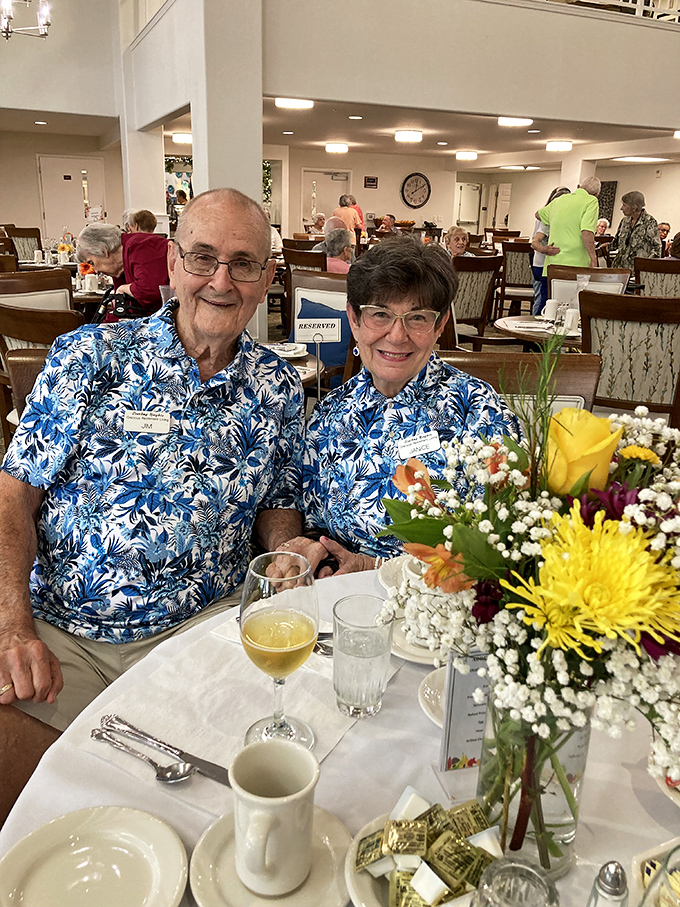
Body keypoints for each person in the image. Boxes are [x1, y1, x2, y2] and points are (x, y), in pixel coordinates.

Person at [0, 188, 305, 813]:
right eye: (201, 258)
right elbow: (11, 499)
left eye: (243, 263)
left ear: (267, 278)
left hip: (203, 635)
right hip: (70, 640)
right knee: (33, 788)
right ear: (171, 262)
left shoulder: (277, 384)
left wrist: (282, 548)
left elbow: (277, 502)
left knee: (255, 775)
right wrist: (12, 626)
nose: (220, 281)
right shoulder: (92, 357)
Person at [282, 237, 521, 575]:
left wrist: (377, 566)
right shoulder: (329, 412)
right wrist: (315, 551)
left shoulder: (480, 412)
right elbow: (311, 520)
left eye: (417, 318)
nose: (396, 335)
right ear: (354, 318)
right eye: (380, 314)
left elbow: (504, 544)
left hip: (437, 608)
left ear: (439, 325)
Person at [76, 222, 169, 319]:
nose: (96, 270)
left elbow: (150, 290)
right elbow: (120, 311)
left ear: (103, 250)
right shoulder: (120, 268)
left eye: (92, 263)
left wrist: (124, 289)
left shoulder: (140, 245)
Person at [536, 176, 601, 272]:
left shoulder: (559, 200)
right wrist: (593, 258)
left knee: (551, 286)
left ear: (578, 187)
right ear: (596, 194)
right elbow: (586, 231)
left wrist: (558, 220)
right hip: (576, 264)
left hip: (553, 263)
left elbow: (538, 214)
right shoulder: (591, 201)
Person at [530, 186, 570, 314]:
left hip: (547, 264)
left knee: (545, 299)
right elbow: (534, 243)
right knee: (543, 301)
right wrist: (545, 249)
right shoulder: (547, 219)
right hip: (542, 264)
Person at [610, 191, 661, 269]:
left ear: (634, 208)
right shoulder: (624, 221)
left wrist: (647, 266)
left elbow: (657, 248)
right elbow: (615, 243)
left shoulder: (649, 222)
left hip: (637, 269)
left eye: (624, 205)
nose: (621, 208)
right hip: (619, 268)